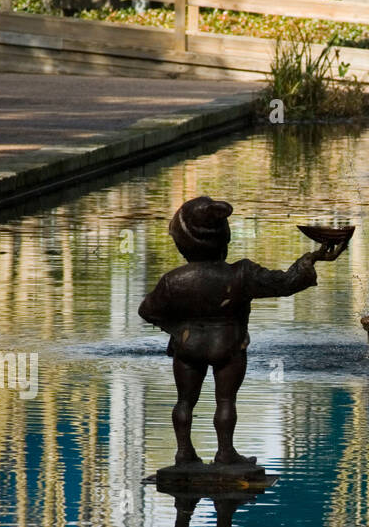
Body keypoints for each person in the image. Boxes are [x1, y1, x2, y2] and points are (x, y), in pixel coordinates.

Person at [139, 196, 348, 467]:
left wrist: (178, 330)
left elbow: (147, 310)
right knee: (225, 400)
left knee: (184, 402)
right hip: (228, 345)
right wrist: (312, 258)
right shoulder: (242, 274)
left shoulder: (173, 280)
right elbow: (285, 283)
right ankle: (225, 452)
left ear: (183, 242)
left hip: (187, 347)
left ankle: (183, 452)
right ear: (223, 239)